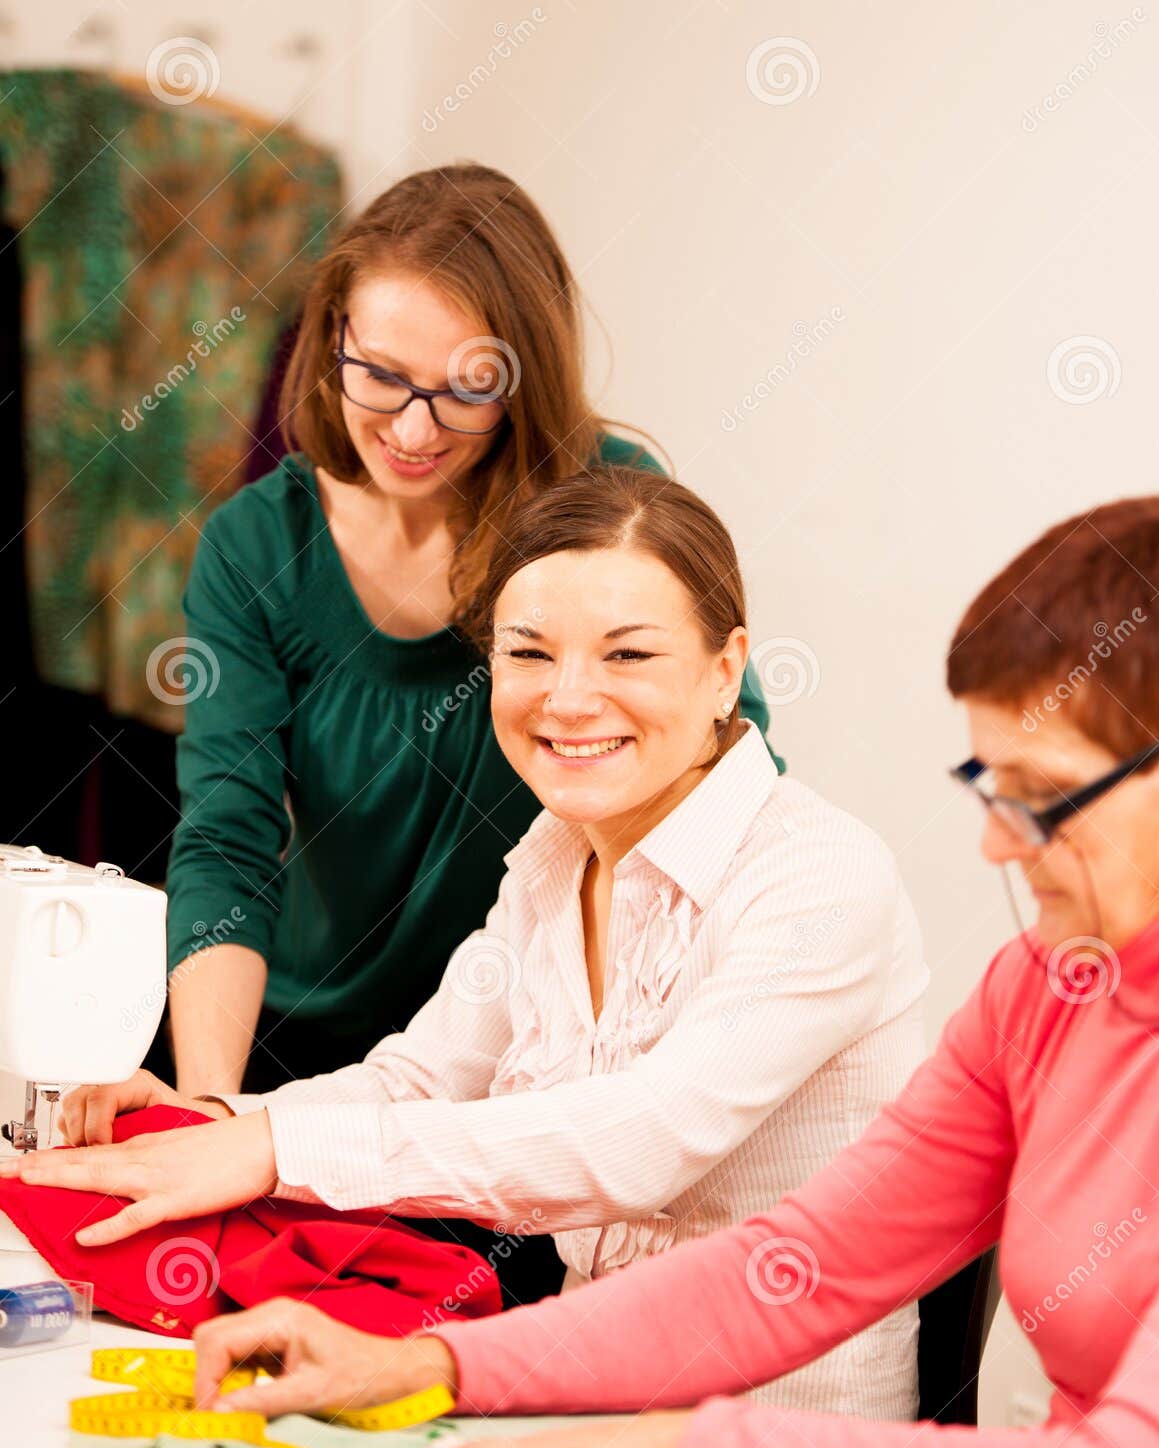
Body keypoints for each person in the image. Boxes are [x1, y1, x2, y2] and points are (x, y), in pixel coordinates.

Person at [181, 495, 1159, 1448]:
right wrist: (428, 1364)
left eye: (1041, 799)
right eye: (990, 788)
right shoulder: (1044, 986)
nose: (993, 840)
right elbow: (797, 1267)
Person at [10, 468, 929, 1419]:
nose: (568, 700)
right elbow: (421, 1077)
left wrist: (276, 1149)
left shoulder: (819, 875)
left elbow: (643, 1139)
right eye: (529, 654)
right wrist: (216, 1123)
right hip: (579, 1410)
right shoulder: (554, 854)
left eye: (628, 656)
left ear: (725, 670)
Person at [157, 163, 778, 1303]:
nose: (411, 425)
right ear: (329, 338)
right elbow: (227, 838)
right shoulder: (262, 545)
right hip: (303, 1057)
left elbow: (726, 770)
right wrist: (211, 1109)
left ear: (524, 377)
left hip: (523, 1066)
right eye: (379, 375)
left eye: (464, 388)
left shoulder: (598, 513)